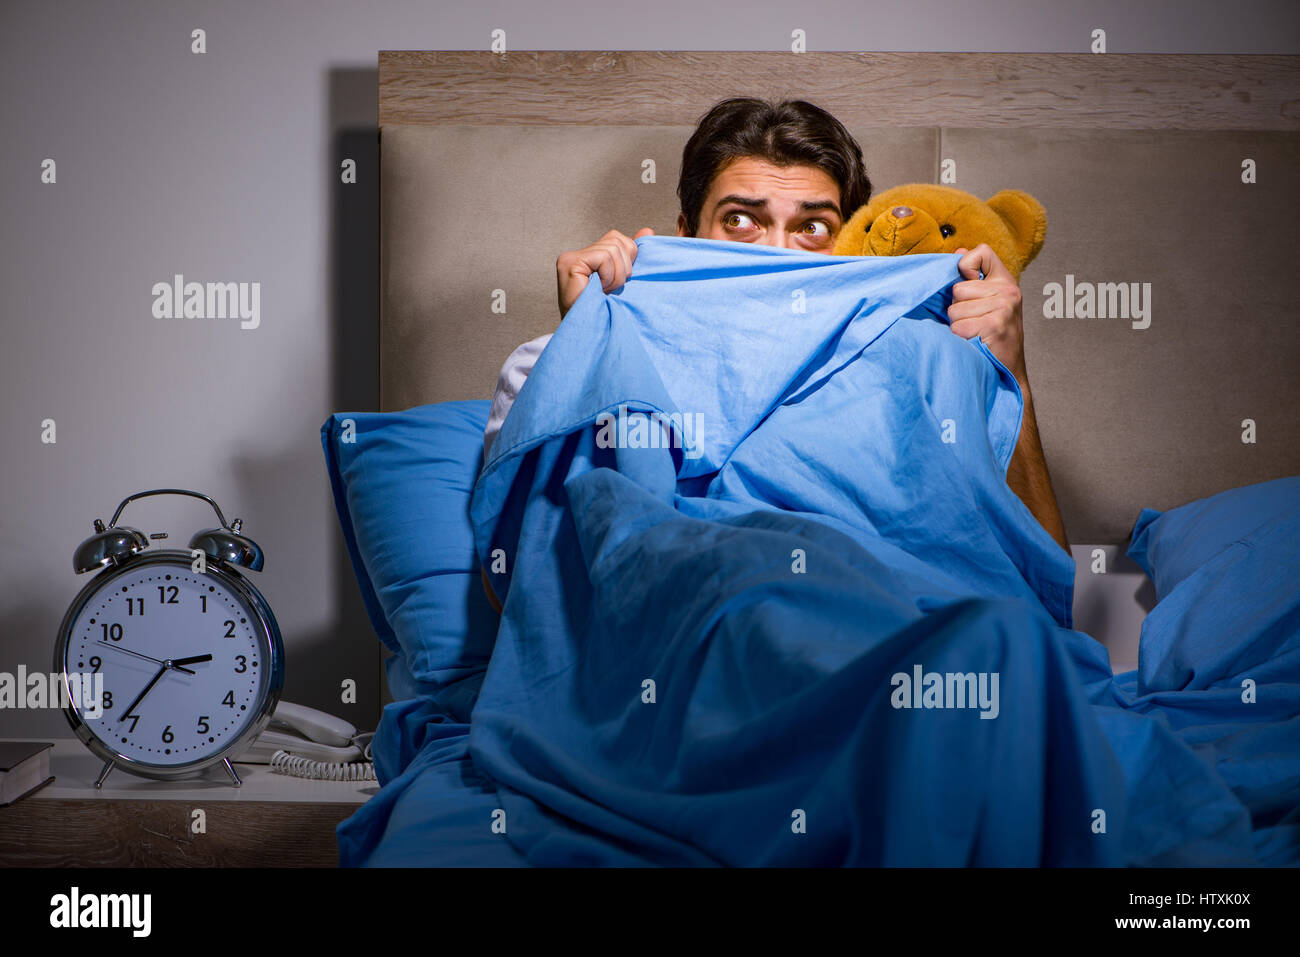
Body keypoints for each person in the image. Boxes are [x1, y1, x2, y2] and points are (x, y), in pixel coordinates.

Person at [482, 97, 1070, 553]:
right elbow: (514, 598)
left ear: (852, 249)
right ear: (684, 236)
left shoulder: (914, 370)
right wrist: (588, 348)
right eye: (741, 220)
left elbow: (1041, 584)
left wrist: (1008, 371)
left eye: (812, 227)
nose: (778, 254)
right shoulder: (548, 361)